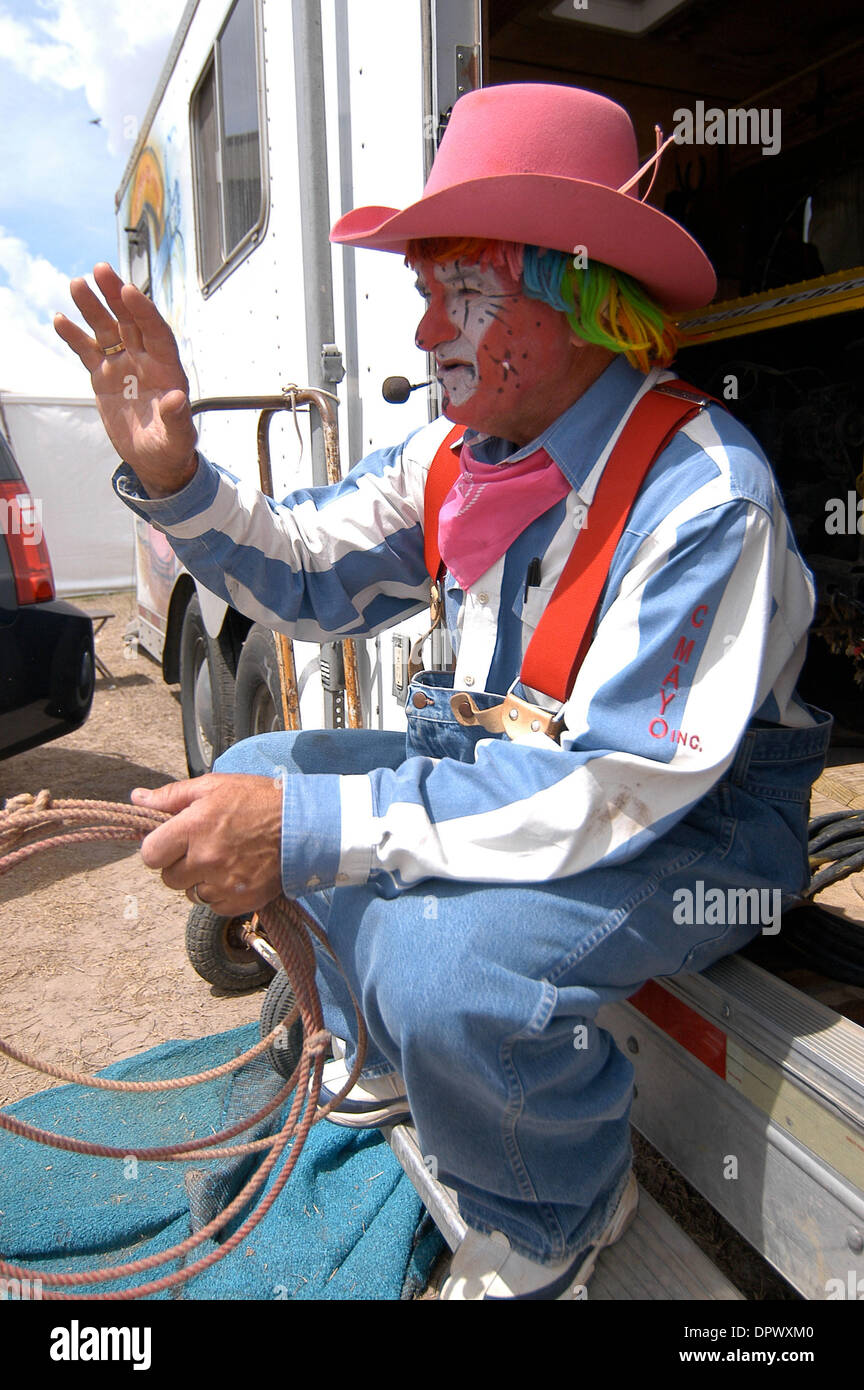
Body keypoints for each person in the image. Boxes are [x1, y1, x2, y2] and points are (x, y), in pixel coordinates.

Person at [55, 83, 831, 1300]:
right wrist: (174, 470)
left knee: (449, 964)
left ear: (582, 298)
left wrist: (315, 834)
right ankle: (399, 1059)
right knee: (258, 772)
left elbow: (613, 788)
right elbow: (306, 572)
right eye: (427, 294)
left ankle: (552, 1214)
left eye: (460, 294)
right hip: (516, 774)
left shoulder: (704, 497)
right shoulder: (457, 453)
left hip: (692, 823)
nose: (426, 336)